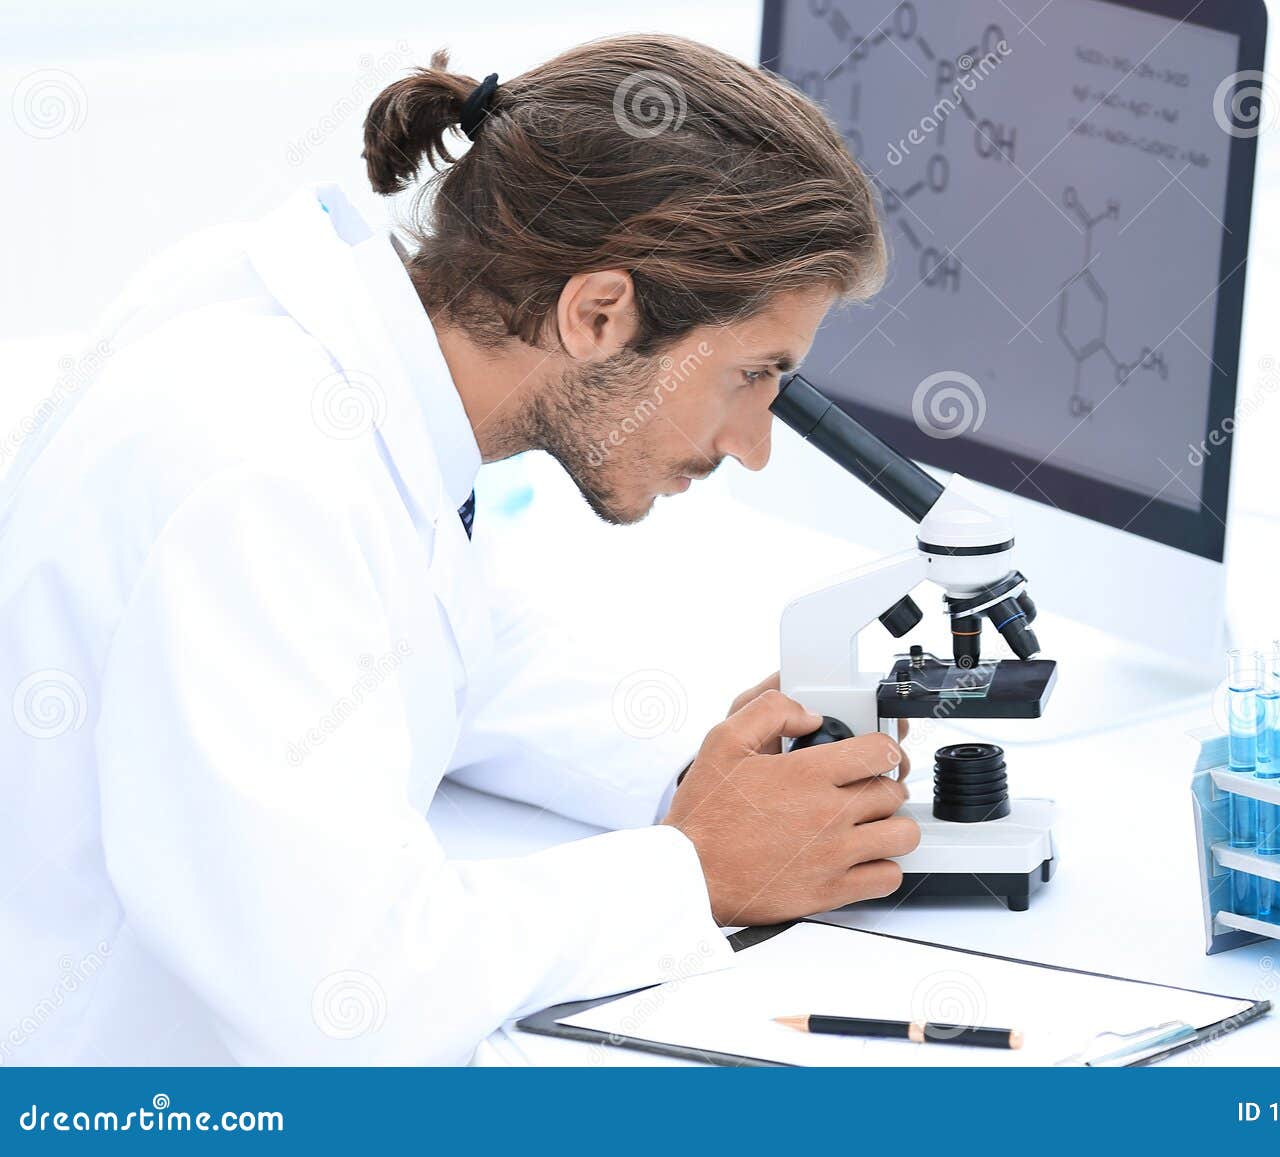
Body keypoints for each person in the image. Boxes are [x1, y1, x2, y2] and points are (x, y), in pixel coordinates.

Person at [0, 34, 918, 1065]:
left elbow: (424, 638)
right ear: (599, 311)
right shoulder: (266, 473)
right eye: (754, 374)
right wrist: (690, 870)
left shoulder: (336, 355)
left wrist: (701, 759)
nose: (752, 447)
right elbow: (343, 994)